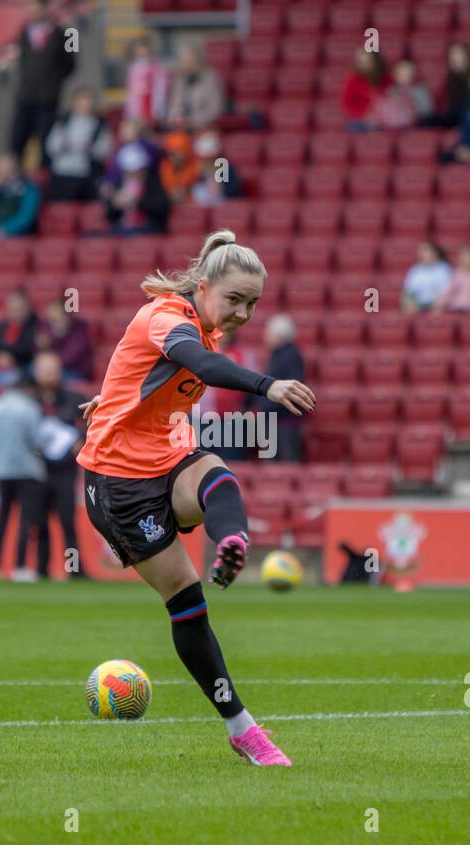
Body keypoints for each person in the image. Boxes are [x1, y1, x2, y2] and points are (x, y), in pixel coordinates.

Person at [76, 230, 316, 765]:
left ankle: (230, 539)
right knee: (187, 604)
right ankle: (241, 727)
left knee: (218, 473)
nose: (243, 314)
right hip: (117, 482)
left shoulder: (203, 327)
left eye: (252, 304)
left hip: (165, 456)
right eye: (234, 300)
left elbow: (146, 373)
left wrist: (113, 396)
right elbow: (199, 367)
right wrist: (268, 385)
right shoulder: (166, 318)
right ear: (203, 287)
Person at [0, 371, 46, 582]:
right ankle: (20, 567)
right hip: (27, 470)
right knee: (24, 521)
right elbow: (36, 442)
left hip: (2, 469)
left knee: (1, 520)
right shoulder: (30, 408)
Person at [33, 351, 86, 578]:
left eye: (53, 370)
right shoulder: (30, 401)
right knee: (40, 523)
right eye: (45, 370)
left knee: (67, 522)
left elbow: (91, 426)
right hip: (38, 471)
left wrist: (82, 442)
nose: (49, 375)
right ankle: (41, 570)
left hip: (65, 471)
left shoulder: (73, 399)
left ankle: (75, 570)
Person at [7, 0, 77, 165]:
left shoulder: (63, 33)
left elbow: (71, 64)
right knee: (16, 142)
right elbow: (23, 62)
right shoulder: (24, 33)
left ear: (46, 9)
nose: (33, 12)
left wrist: (53, 82)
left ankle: (44, 182)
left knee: (47, 146)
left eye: (36, 8)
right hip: (25, 97)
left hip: (48, 99)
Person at [43, 87, 111, 201]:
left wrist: (90, 148)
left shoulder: (99, 125)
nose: (85, 107)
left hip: (86, 174)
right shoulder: (63, 122)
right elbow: (51, 147)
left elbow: (105, 151)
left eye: (88, 103)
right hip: (63, 173)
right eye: (81, 103)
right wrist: (64, 144)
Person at [254, 314, 305, 463]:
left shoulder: (289, 357)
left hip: (283, 421)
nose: (266, 337)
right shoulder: (279, 356)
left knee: (285, 460)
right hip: (274, 419)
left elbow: (291, 388)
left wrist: (266, 405)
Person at [101, 138, 169, 235]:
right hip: (122, 230)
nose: (133, 174)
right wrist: (114, 203)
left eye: (136, 170)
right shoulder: (119, 183)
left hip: (147, 230)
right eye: (128, 171)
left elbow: (161, 209)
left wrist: (137, 202)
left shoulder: (153, 182)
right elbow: (109, 216)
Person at [165, 44, 224, 133]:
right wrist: (175, 118)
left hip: (203, 128)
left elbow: (215, 110)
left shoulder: (210, 78)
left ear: (197, 59)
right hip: (181, 129)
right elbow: (174, 106)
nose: (184, 63)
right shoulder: (180, 79)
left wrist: (191, 121)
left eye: (188, 60)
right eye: (183, 60)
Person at [35, 299, 93, 380]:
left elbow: (71, 356)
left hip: (74, 370)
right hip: (53, 368)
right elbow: (38, 353)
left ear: (66, 315)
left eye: (58, 316)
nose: (54, 320)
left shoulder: (79, 330)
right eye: (52, 319)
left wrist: (52, 362)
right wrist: (43, 346)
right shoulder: (48, 329)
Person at [0, 153, 41, 237]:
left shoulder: (29, 189)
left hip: (18, 238)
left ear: (13, 170)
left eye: (0, 169)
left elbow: (26, 216)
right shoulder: (0, 189)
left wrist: (5, 230)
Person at [0, 288, 41, 370]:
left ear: (26, 307)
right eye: (11, 306)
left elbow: (30, 350)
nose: (13, 309)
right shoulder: (2, 326)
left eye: (17, 306)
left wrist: (11, 358)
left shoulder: (35, 325)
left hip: (22, 371)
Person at [122, 37, 169, 129]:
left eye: (144, 48)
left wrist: (159, 111)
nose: (141, 51)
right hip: (136, 109)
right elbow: (130, 92)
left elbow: (160, 91)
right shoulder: (133, 69)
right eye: (139, 48)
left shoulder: (156, 68)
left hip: (150, 108)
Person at [374, 60, 433, 129]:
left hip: (416, 125)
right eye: (401, 74)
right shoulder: (391, 90)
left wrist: (414, 107)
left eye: (407, 74)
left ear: (413, 75)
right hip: (390, 127)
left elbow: (428, 111)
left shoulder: (421, 90)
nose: (404, 77)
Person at [342, 49, 390, 131]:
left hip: (384, 119)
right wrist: (364, 115)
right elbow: (347, 105)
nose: (364, 65)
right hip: (360, 120)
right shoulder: (352, 81)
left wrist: (380, 116)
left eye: (367, 61)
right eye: (361, 62)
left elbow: (392, 100)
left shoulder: (386, 79)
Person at [402, 241, 453, 314]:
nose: (421, 254)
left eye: (425, 250)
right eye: (420, 251)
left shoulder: (444, 269)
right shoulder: (415, 270)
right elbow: (408, 291)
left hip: (438, 304)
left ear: (435, 253)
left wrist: (438, 303)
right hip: (419, 305)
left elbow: (448, 290)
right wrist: (411, 303)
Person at [432, 244, 470, 313]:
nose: (465, 258)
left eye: (468, 256)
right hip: (455, 308)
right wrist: (439, 303)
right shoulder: (457, 273)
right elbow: (448, 291)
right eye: (463, 256)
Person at [433, 42, 470, 129]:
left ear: (468, 58)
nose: (457, 59)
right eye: (453, 56)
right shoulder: (447, 81)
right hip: (451, 118)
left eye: (460, 55)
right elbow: (441, 106)